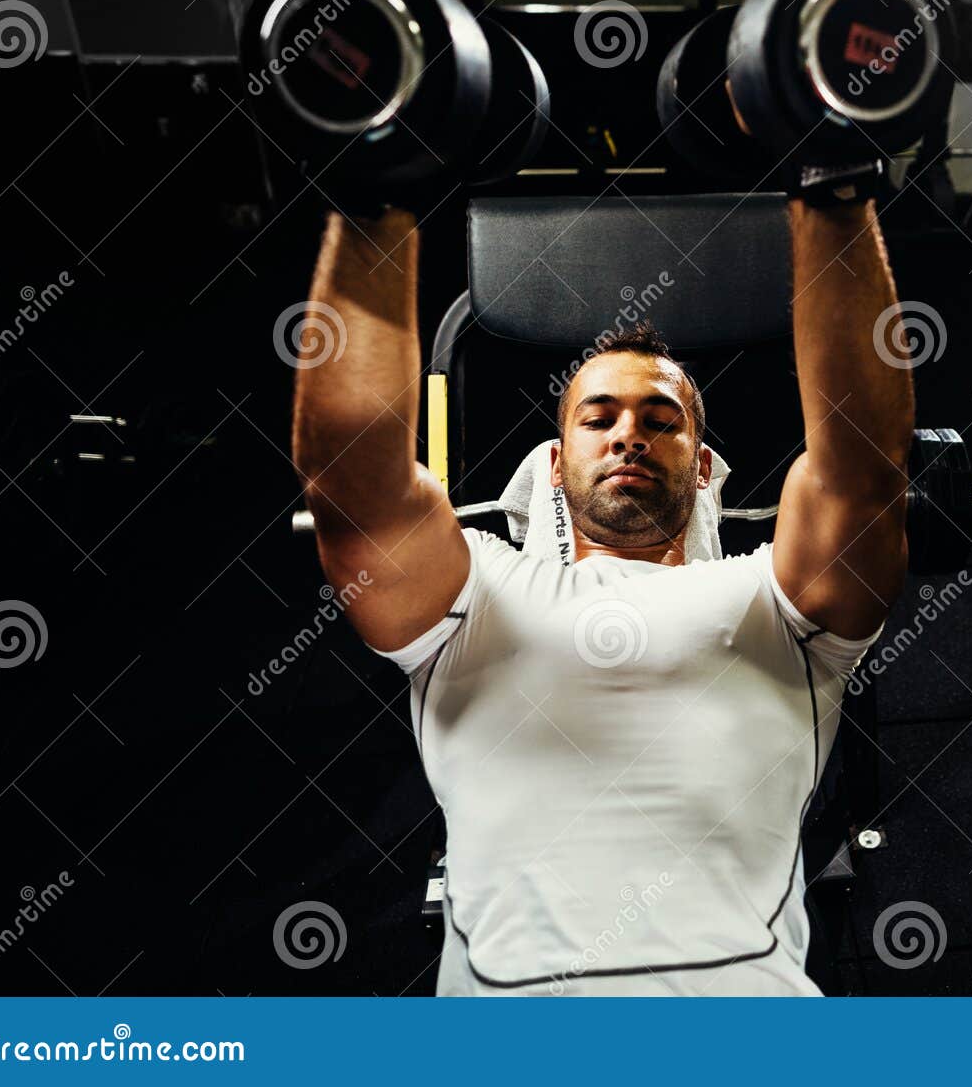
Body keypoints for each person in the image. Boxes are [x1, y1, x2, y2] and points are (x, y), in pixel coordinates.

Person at [292, 188, 915, 995]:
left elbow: (862, 468)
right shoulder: (475, 595)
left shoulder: (778, 604)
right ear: (553, 467)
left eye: (661, 419)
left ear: (703, 468)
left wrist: (835, 189)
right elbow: (353, 483)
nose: (629, 433)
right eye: (599, 418)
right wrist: (372, 193)